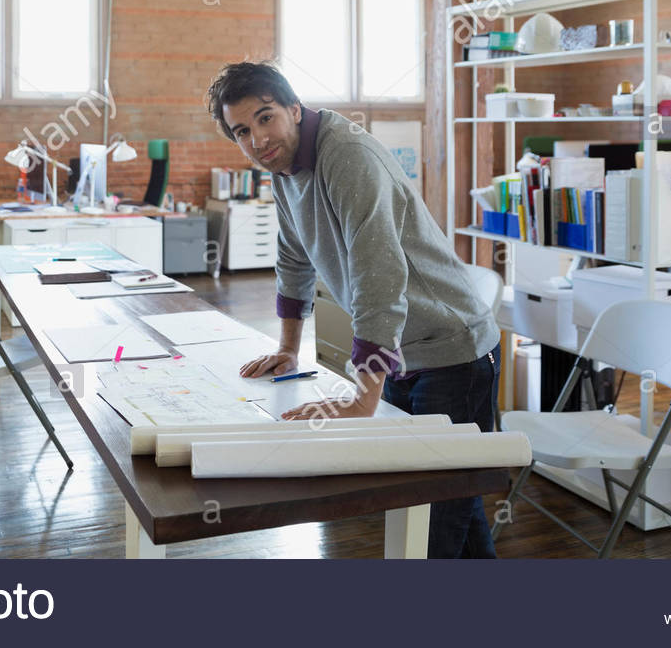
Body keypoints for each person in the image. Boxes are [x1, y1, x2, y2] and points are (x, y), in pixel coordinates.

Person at [206, 60, 502, 558]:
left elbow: (378, 275)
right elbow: (293, 256)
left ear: (294, 109)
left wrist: (362, 398)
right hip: (406, 353)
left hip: (453, 352)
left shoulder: (347, 155)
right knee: (452, 507)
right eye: (241, 130)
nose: (257, 140)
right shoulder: (283, 167)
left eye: (265, 117)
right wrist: (287, 348)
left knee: (430, 521)